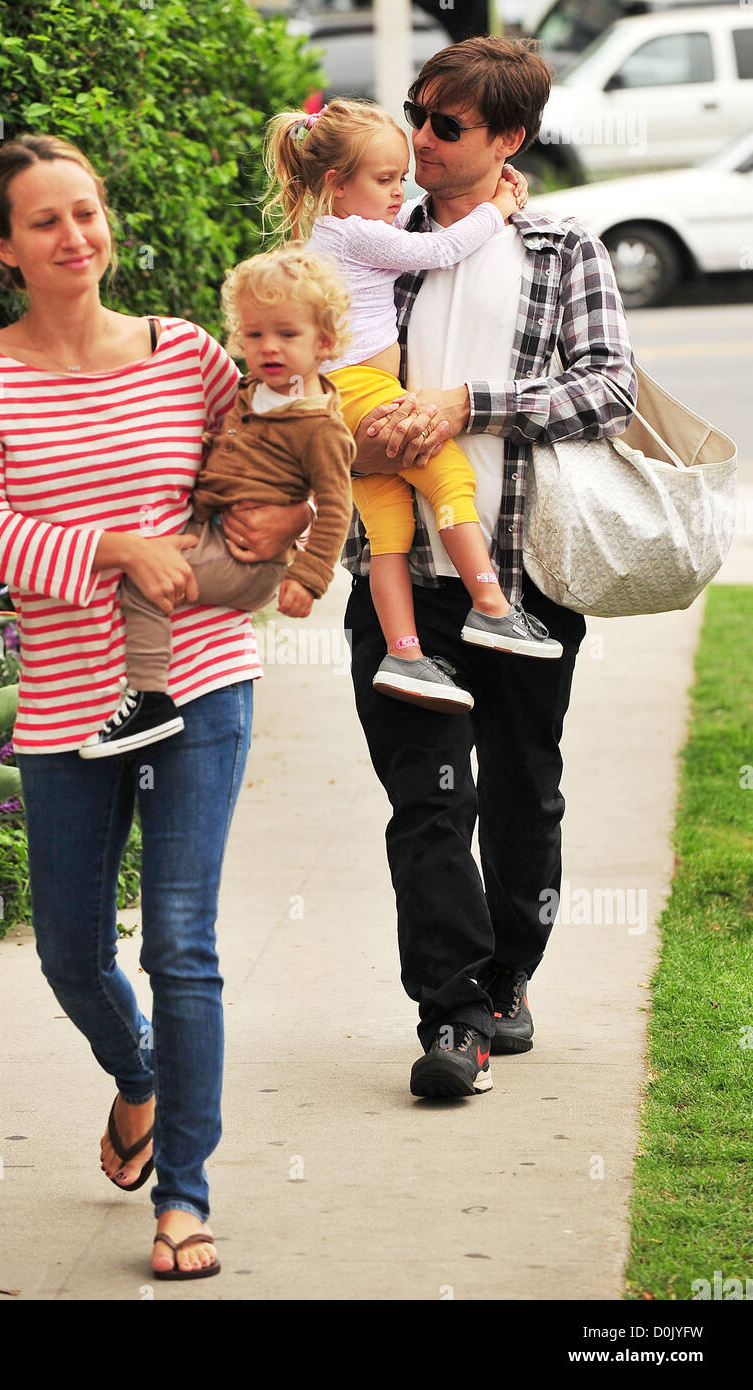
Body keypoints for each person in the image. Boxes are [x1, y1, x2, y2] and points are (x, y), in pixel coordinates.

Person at [0, 134, 313, 1278]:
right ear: (1, 246)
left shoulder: (187, 351)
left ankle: (185, 1200)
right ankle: (137, 1076)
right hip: (66, 703)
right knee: (66, 951)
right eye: (46, 222)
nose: (77, 238)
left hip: (196, 678)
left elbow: (263, 460)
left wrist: (283, 526)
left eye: (88, 213)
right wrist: (113, 546)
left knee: (182, 944)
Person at [342, 37, 638, 1098]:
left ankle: (510, 974)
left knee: (523, 791)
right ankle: (452, 1012)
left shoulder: (561, 244)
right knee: (427, 802)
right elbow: (301, 360)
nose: (420, 135)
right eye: (417, 112)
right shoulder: (370, 239)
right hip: (396, 574)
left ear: (507, 139)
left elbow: (608, 388)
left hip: (522, 581)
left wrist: (471, 407)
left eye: (447, 123)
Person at [262, 98, 562, 718]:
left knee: (388, 531)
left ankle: (403, 652)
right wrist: (498, 210)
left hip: (336, 399)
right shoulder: (359, 234)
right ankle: (493, 609)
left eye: (401, 179)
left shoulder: (333, 231)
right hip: (361, 389)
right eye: (384, 180)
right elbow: (444, 250)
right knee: (448, 474)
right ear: (335, 184)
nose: (399, 191)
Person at [79, 245, 356, 759]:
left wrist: (308, 576)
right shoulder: (250, 390)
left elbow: (338, 505)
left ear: (326, 341)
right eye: (254, 335)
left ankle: (149, 698)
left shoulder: (319, 425)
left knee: (147, 578)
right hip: (216, 532)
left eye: (287, 334)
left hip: (252, 563)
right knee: (152, 564)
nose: (268, 348)